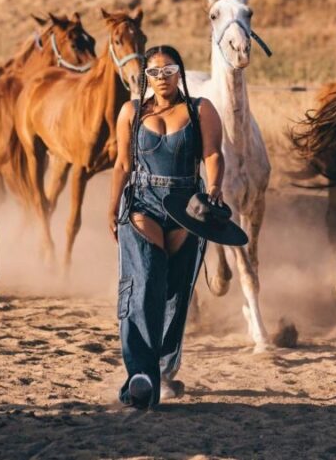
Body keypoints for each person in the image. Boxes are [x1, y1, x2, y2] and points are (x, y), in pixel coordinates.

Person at [108, 45, 225, 409]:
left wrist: (214, 189)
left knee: (175, 290)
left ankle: (161, 368)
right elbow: (122, 164)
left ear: (180, 73)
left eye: (169, 70)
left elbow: (213, 154)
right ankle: (140, 376)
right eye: (155, 72)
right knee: (144, 281)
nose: (162, 78)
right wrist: (112, 206)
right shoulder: (131, 112)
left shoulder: (200, 109)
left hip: (186, 206)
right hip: (142, 202)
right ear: (146, 77)